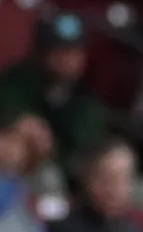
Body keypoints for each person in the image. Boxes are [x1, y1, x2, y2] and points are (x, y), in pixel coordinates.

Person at [0, 15, 107, 171]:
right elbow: (6, 112)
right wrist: (21, 124)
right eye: (60, 52)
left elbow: (88, 150)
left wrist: (51, 148)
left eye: (74, 53)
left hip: (61, 176)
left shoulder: (86, 98)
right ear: (42, 53)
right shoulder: (16, 79)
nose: (67, 60)